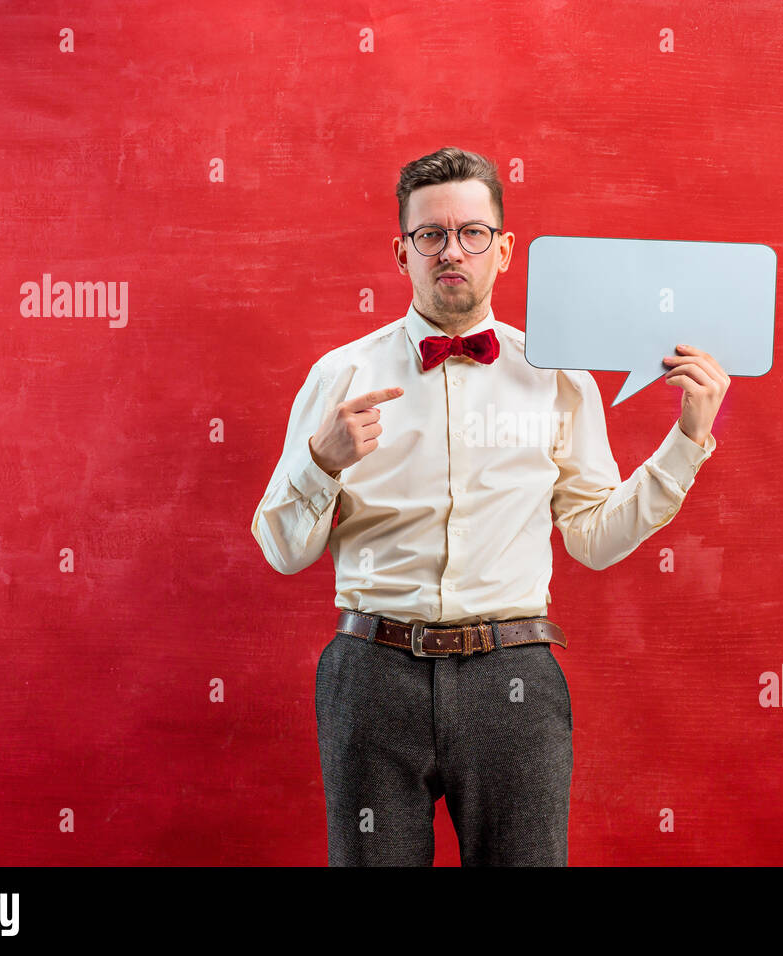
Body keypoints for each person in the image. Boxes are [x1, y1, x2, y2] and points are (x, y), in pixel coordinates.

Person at [250, 146, 729, 866]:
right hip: (372, 673)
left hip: (514, 676)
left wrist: (688, 439)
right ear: (401, 252)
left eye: (472, 233)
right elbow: (284, 550)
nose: (452, 251)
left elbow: (593, 537)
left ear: (503, 250)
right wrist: (321, 462)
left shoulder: (559, 377)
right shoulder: (340, 377)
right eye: (430, 235)